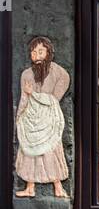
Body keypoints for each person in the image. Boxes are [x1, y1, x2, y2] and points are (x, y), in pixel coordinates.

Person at [15, 35, 69, 200]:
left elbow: (54, 99)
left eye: (40, 51)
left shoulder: (59, 73)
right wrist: (20, 116)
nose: (36, 55)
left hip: (48, 118)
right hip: (31, 119)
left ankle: (58, 186)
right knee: (29, 152)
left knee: (52, 151)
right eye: (33, 52)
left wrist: (37, 96)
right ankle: (30, 187)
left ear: (48, 53)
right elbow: (24, 97)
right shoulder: (26, 74)